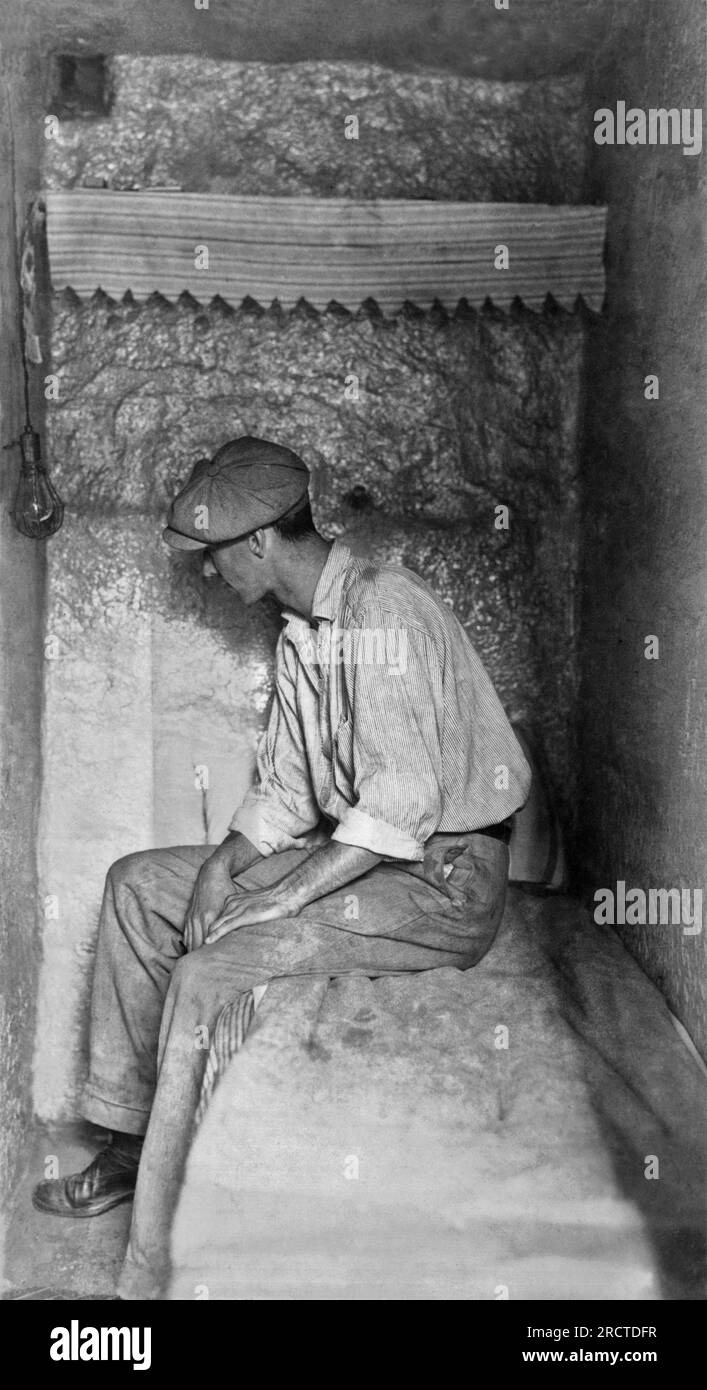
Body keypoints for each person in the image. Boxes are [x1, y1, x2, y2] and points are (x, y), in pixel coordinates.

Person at [32, 435, 532, 1299]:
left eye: (214, 555)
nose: (207, 574)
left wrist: (273, 907)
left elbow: (395, 813)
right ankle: (127, 1139)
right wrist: (226, 868)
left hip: (442, 885)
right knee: (139, 886)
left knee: (206, 972)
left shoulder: (384, 613)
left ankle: (156, 1270)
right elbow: (291, 796)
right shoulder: (306, 633)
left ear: (260, 543)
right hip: (371, 861)